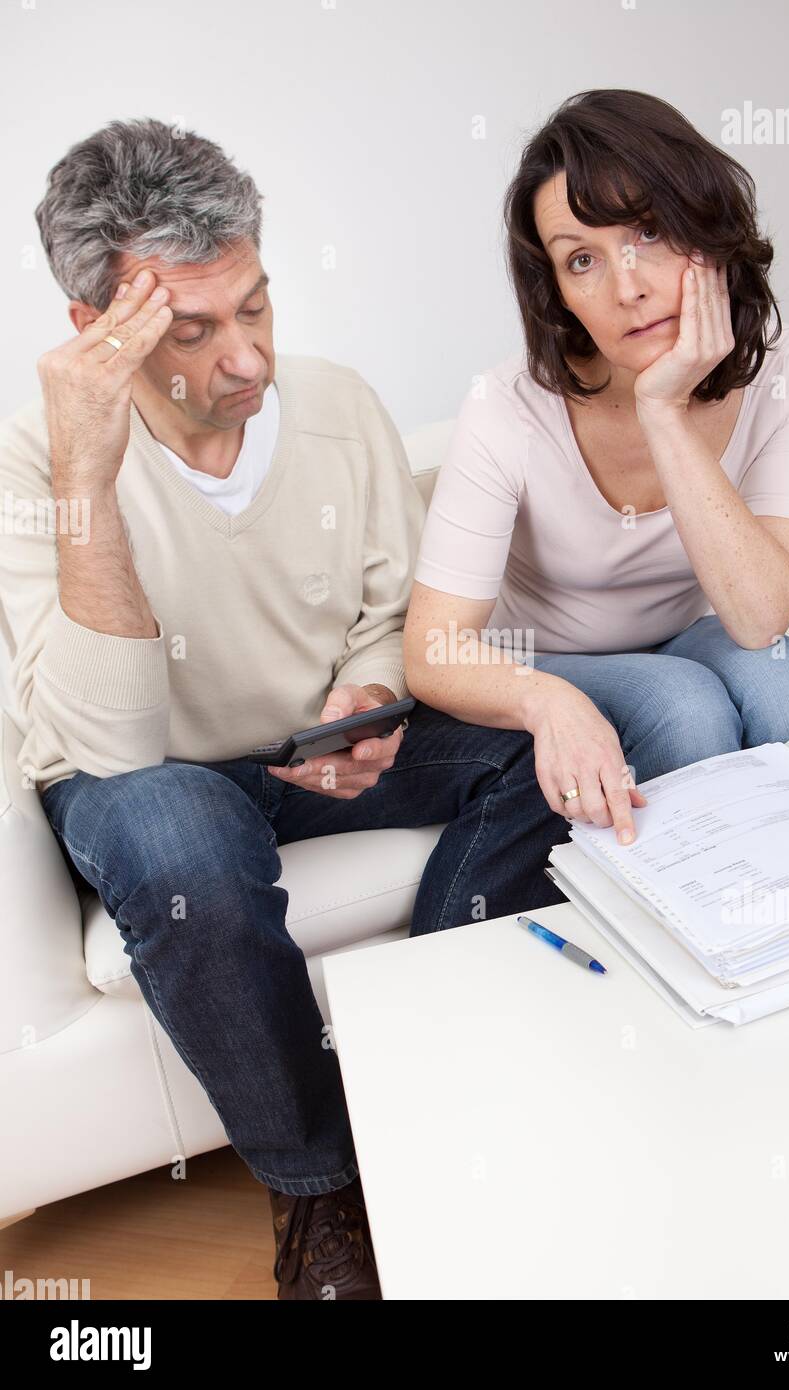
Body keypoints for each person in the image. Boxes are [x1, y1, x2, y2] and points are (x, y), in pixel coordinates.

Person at [0, 118, 572, 1301]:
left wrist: (364, 695)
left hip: (305, 753)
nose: (249, 359)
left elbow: (388, 615)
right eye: (195, 330)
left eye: (255, 305)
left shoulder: (336, 404)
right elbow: (108, 744)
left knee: (538, 731)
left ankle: (430, 1066)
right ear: (93, 337)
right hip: (152, 782)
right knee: (177, 834)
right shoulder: (30, 464)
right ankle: (320, 1188)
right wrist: (87, 471)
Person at [403, 89, 789, 846]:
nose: (627, 287)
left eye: (647, 230)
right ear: (559, 294)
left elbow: (758, 616)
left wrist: (663, 413)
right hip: (544, 655)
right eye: (582, 260)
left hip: (686, 635)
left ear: (705, 226)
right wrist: (541, 699)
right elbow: (432, 651)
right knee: (683, 706)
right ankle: (681, 916)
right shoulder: (507, 404)